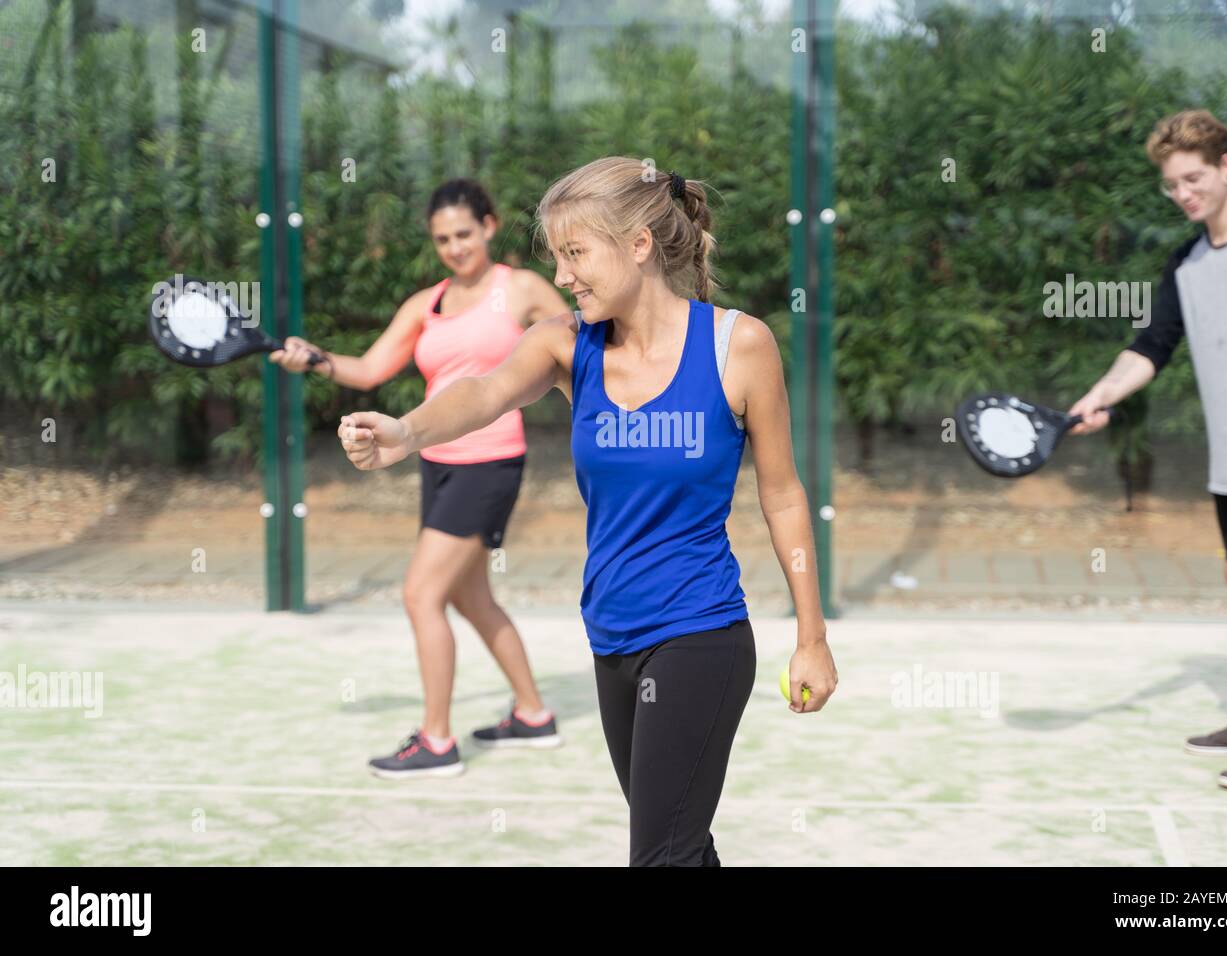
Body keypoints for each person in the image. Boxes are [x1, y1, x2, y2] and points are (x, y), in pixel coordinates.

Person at [336, 157, 839, 864]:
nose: (565, 276)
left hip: (700, 635)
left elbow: (783, 493)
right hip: (609, 639)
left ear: (638, 244)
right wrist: (407, 431)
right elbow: (482, 393)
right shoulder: (567, 347)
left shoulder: (739, 346)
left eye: (577, 254)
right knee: (681, 847)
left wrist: (811, 635)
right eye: (559, 257)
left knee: (659, 854)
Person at [270, 178, 572, 778]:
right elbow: (371, 369)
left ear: (488, 227)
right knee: (469, 595)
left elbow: (581, 341)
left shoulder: (523, 289)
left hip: (490, 463)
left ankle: (437, 742)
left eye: (464, 234)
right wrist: (318, 359)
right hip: (436, 461)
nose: (455, 248)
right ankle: (534, 715)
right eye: (442, 240)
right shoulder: (425, 305)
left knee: (420, 594)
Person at [1068, 110, 1227, 791]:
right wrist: (1102, 395)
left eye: (1194, 178)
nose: (1183, 194)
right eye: (1172, 185)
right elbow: (1150, 347)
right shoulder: (1186, 263)